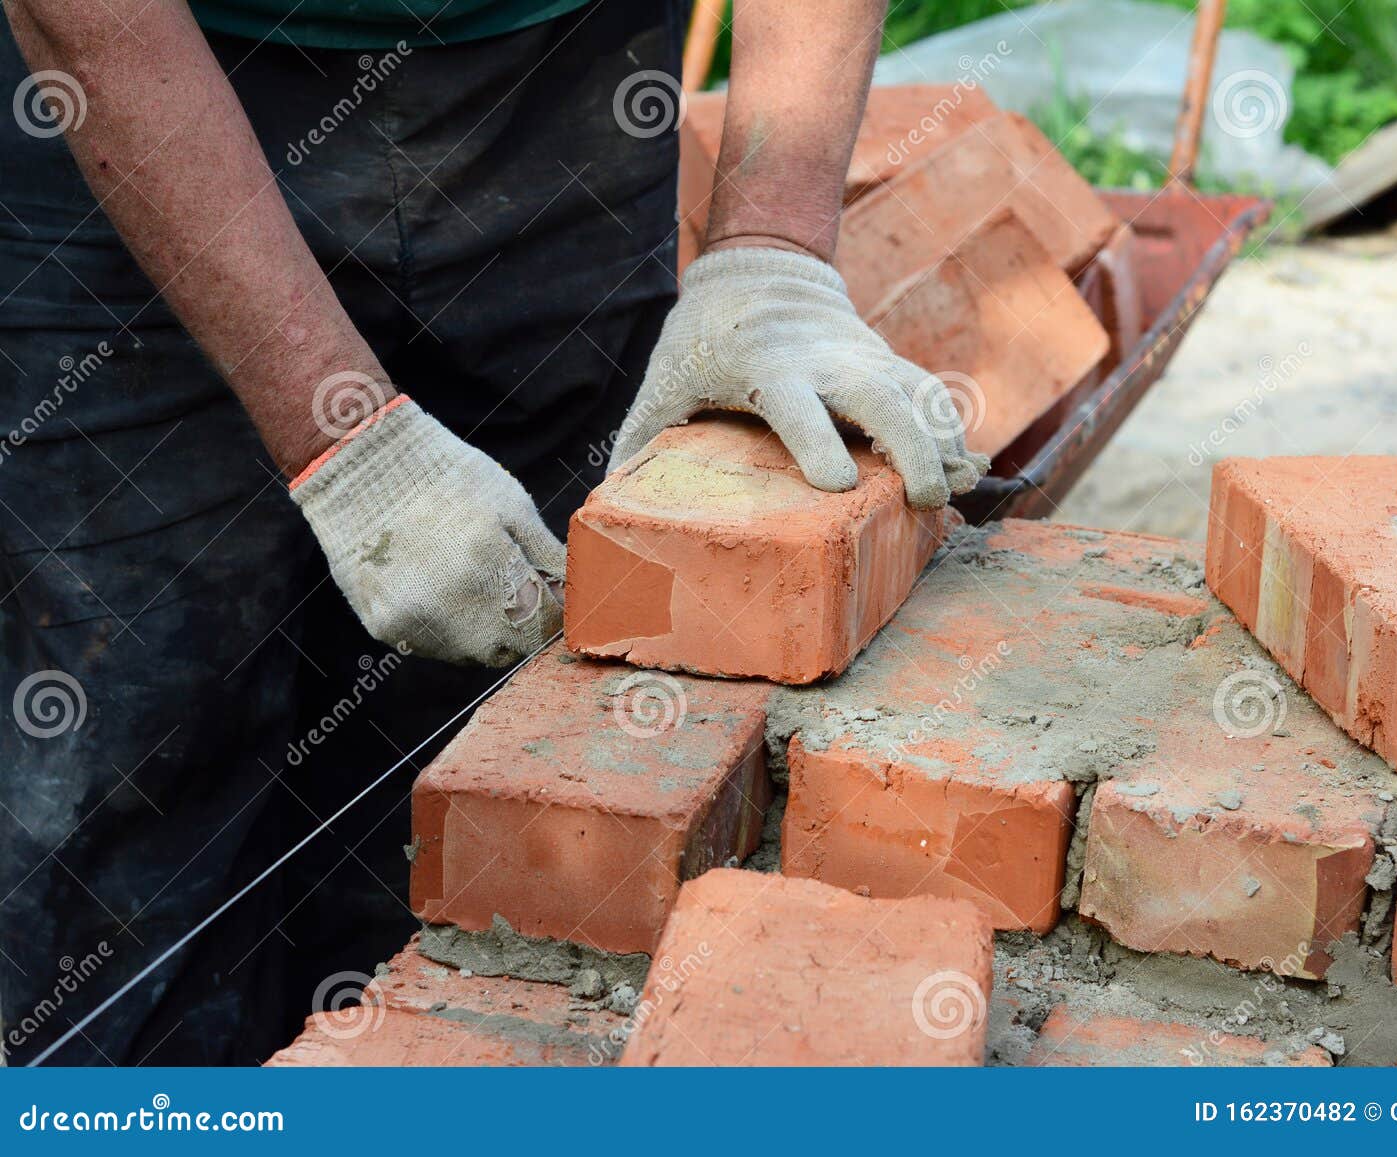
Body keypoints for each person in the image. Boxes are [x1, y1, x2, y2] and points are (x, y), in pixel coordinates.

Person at [0, 0, 984, 1064]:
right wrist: (347, 443)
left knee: (509, 740)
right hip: (153, 102)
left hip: (567, 81)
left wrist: (772, 253)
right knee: (141, 762)